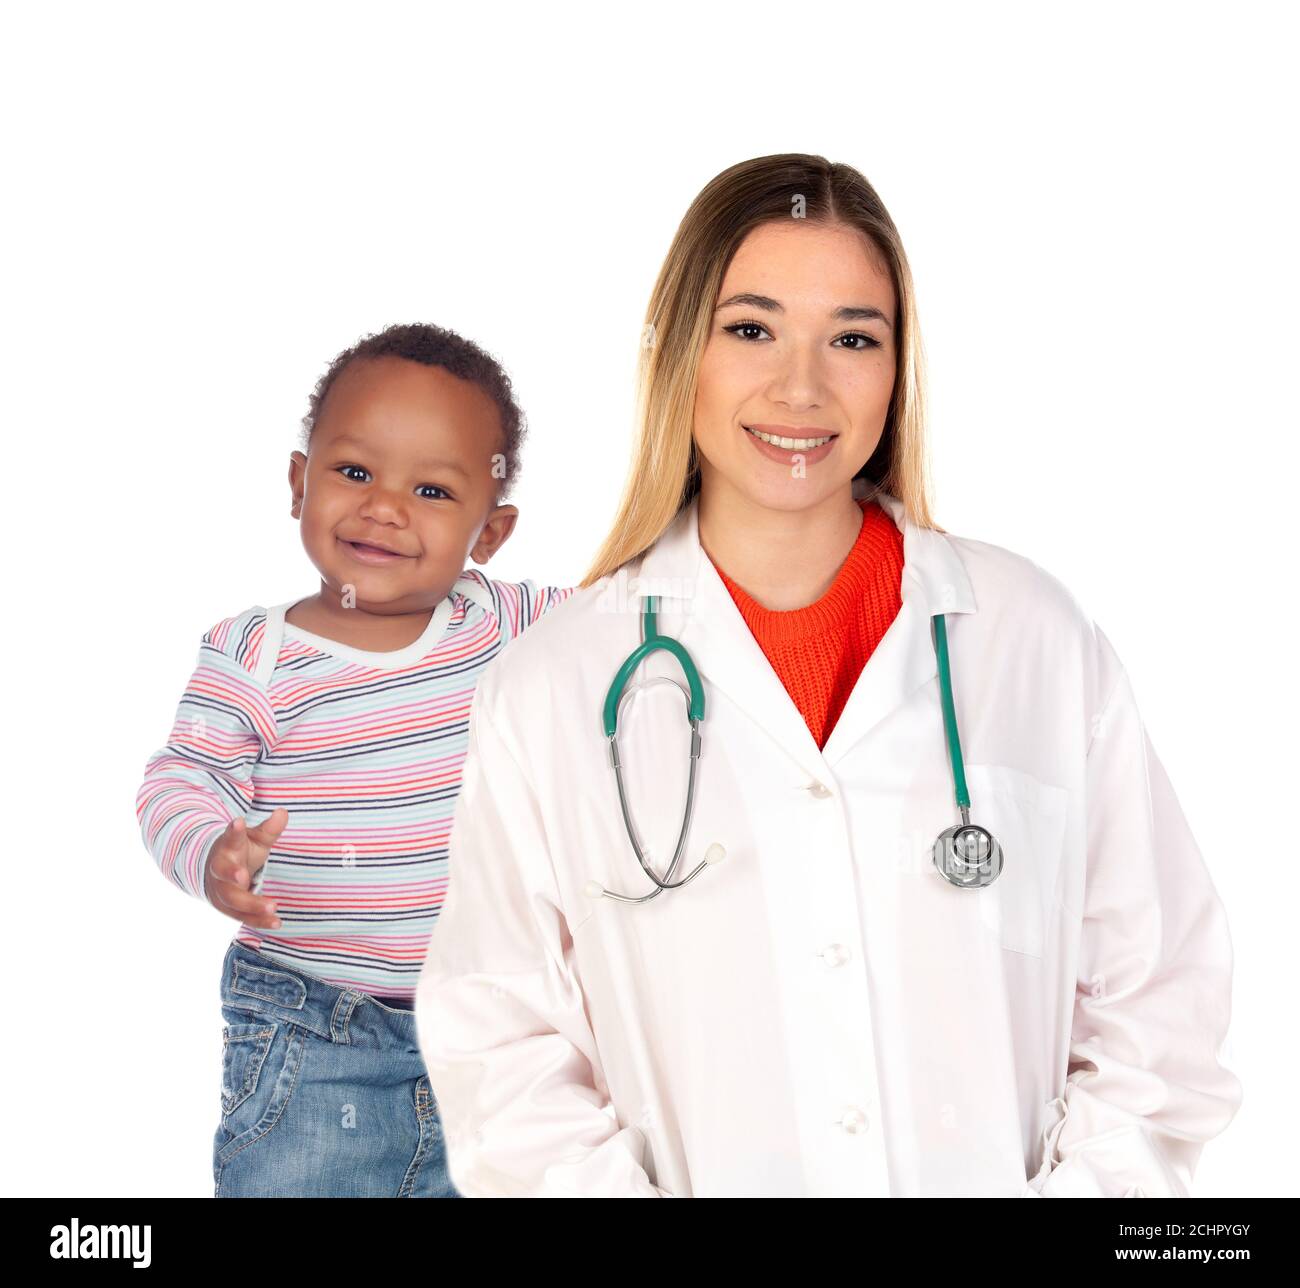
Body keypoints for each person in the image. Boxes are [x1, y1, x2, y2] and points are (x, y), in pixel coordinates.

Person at [413, 154, 1243, 1198]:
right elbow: (503, 1054)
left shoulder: (1031, 640)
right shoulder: (553, 687)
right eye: (751, 329)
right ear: (677, 349)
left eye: (853, 337)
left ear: (898, 370)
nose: (800, 388)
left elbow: (1158, 1002)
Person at [135, 323, 572, 1196]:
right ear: (299, 481)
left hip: (498, 1037)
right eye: (355, 472)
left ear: (490, 533)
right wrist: (213, 849)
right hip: (312, 1033)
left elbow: (643, 606)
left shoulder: (506, 621)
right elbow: (180, 778)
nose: (385, 507)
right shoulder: (254, 655)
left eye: (434, 490)